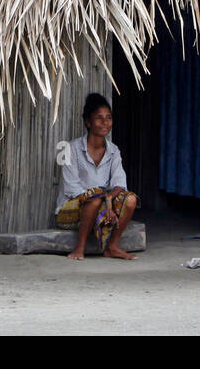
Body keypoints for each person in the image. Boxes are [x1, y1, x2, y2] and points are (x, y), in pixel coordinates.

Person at [56, 93, 139, 260]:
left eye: (108, 117)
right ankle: (79, 248)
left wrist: (108, 200)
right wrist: (104, 201)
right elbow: (72, 188)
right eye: (99, 118)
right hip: (71, 212)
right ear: (88, 122)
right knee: (93, 200)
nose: (105, 122)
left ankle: (112, 247)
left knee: (130, 200)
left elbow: (120, 184)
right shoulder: (69, 149)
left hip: (101, 207)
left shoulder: (113, 150)